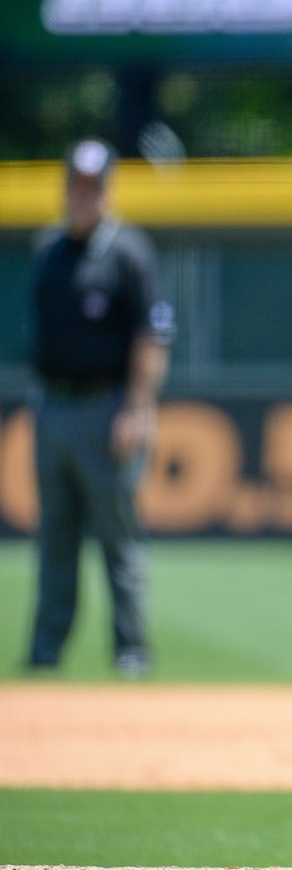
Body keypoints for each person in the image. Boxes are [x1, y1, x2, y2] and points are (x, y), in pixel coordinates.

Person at [24, 138, 173, 679]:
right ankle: (45, 652)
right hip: (54, 406)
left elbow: (151, 337)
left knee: (118, 537)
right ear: (65, 188)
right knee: (55, 538)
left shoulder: (129, 252)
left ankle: (130, 650)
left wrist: (137, 409)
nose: (83, 197)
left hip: (107, 406)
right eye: (75, 186)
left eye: (93, 187)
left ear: (107, 191)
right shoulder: (49, 250)